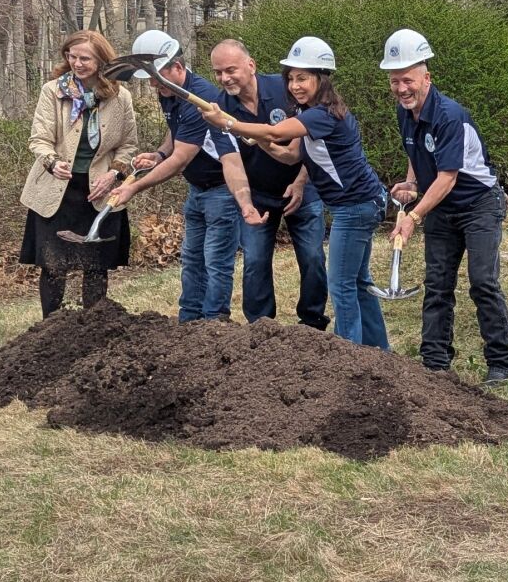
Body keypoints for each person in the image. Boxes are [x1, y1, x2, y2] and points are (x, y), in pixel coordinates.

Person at [203, 36, 391, 349]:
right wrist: (261, 142)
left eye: (303, 78)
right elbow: (290, 154)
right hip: (358, 204)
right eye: (291, 78)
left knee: (341, 285)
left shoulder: (323, 114)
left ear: (322, 78)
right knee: (358, 283)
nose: (295, 85)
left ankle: (350, 360)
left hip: (355, 206)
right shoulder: (308, 112)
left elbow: (275, 131)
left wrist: (229, 124)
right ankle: (379, 351)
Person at [380, 28, 508, 382]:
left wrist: (413, 216)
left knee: (482, 281)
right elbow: (416, 151)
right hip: (442, 207)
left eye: (408, 80)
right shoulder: (405, 112)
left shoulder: (450, 116)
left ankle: (502, 363)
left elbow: (447, 178)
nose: (401, 89)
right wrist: (412, 183)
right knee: (437, 283)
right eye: (395, 81)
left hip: (478, 205)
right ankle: (435, 364)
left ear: (426, 78)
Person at [107, 29, 265, 321]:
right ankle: (188, 321)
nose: (153, 85)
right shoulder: (170, 92)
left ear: (177, 68)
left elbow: (181, 159)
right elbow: (175, 134)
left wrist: (133, 188)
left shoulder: (201, 98)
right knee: (192, 260)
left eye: (156, 78)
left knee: (216, 262)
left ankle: (213, 322)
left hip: (221, 191)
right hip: (198, 189)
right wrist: (159, 154)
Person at [211, 39, 329, 330]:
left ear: (250, 66)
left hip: (303, 187)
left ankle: (312, 323)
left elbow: (313, 139)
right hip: (259, 195)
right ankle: (261, 327)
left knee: (313, 257)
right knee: (254, 261)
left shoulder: (285, 89)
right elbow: (231, 161)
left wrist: (301, 182)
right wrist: (245, 203)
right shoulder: (220, 110)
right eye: (218, 72)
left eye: (231, 70)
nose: (225, 78)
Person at [19, 30, 139, 316]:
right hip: (57, 190)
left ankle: (93, 326)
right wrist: (51, 161)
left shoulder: (120, 97)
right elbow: (39, 138)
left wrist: (113, 175)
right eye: (71, 56)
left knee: (96, 266)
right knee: (53, 265)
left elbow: (128, 145)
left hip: (99, 192)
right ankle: (50, 327)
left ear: (101, 60)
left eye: (85, 58)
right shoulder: (53, 91)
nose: (77, 63)